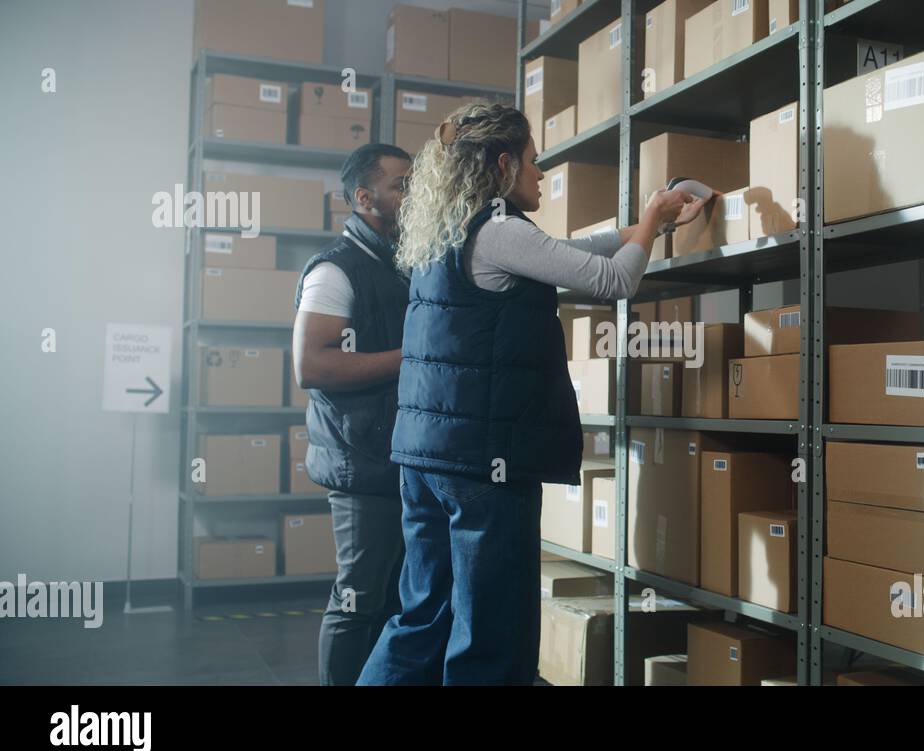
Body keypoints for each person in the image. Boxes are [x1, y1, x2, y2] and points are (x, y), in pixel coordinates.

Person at [357, 103, 698, 685]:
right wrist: (652, 217)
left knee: (424, 617)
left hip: (425, 458)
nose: (541, 174)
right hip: (481, 468)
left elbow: (566, 252)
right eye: (536, 162)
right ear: (504, 163)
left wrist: (645, 229)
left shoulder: (448, 230)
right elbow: (614, 280)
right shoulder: (499, 230)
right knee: (492, 632)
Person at [292, 142, 413, 686]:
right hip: (359, 463)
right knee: (358, 599)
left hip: (397, 456)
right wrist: (410, 358)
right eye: (400, 186)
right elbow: (312, 365)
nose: (412, 195)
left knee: (395, 600)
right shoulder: (335, 270)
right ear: (365, 198)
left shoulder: (399, 263)